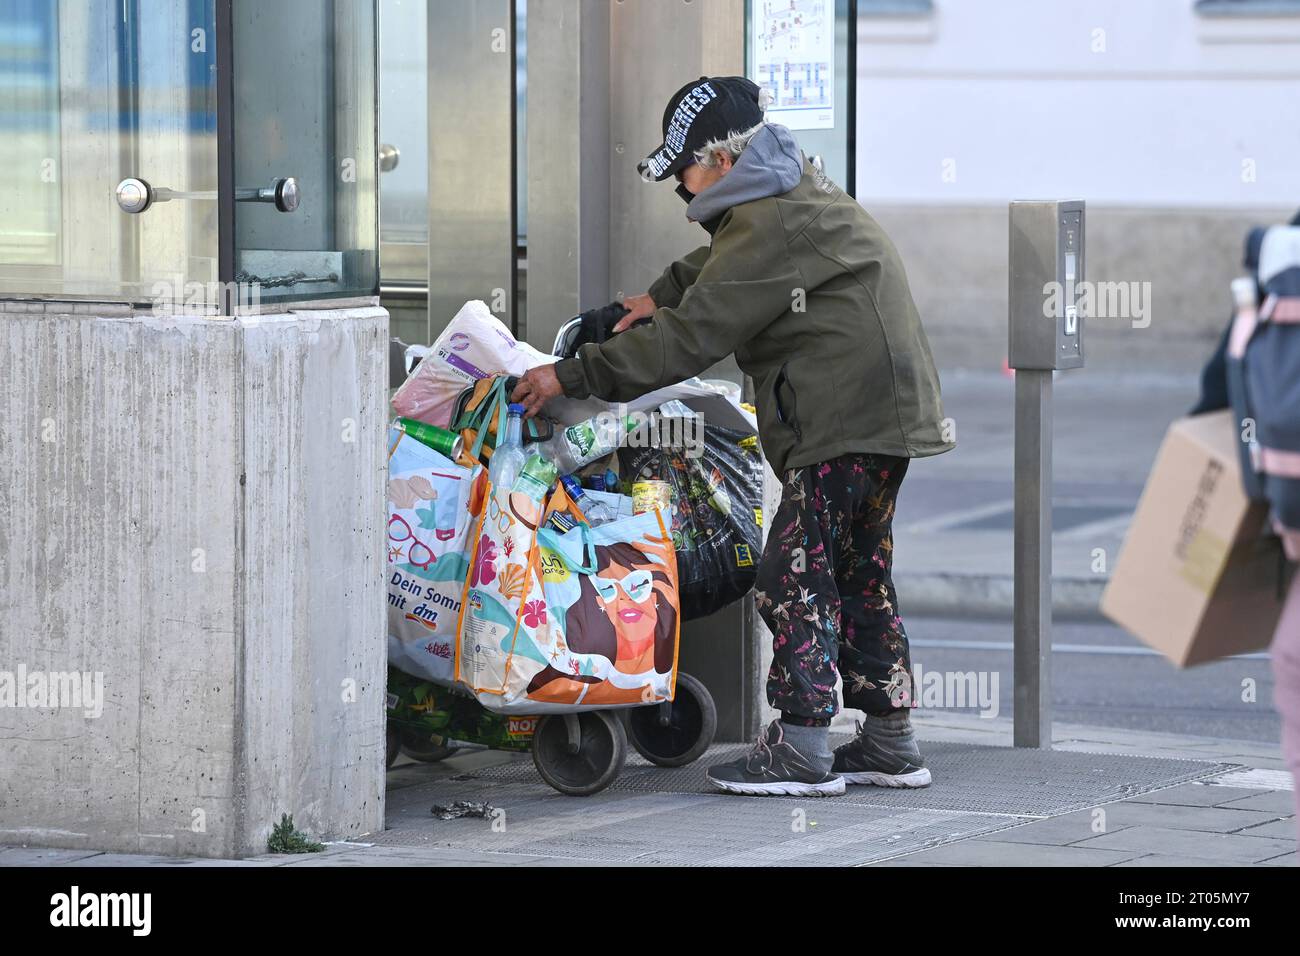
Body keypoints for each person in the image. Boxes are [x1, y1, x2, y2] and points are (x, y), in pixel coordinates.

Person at [512, 75, 953, 797]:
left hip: (844, 417)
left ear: (718, 161)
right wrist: (657, 294)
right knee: (858, 572)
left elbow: (688, 340)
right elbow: (722, 268)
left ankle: (803, 748)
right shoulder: (783, 190)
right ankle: (889, 739)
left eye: (682, 169)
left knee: (793, 575)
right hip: (884, 415)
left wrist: (571, 375)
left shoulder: (767, 220)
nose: (679, 189)